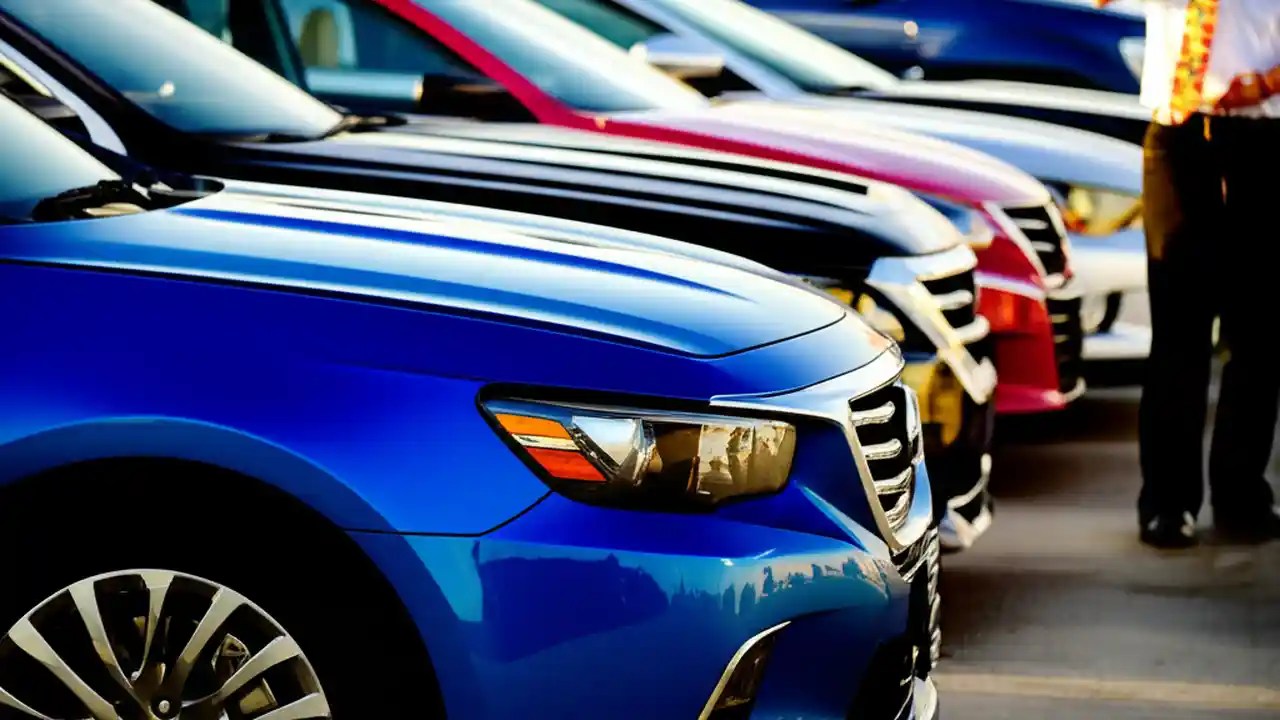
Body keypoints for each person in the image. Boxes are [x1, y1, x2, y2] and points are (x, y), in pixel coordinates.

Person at [1096, 0, 1280, 548]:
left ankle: (1241, 496)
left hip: (1262, 138)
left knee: (1257, 329)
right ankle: (1167, 503)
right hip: (1177, 135)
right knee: (1179, 325)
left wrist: (1267, 83)